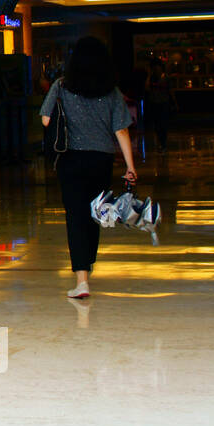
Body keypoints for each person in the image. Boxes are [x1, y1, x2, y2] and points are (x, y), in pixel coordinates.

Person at [40, 37, 138, 299]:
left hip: (70, 159)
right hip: (101, 160)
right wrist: (130, 165)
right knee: (96, 213)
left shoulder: (62, 86)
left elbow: (47, 120)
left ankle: (81, 279)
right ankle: (88, 264)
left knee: (75, 216)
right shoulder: (112, 90)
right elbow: (121, 130)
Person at [144, 59, 174, 152]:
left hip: (164, 103)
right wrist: (149, 76)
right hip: (154, 103)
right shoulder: (152, 78)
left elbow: (170, 91)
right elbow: (147, 88)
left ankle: (163, 143)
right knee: (157, 125)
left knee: (163, 124)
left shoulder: (166, 78)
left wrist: (174, 103)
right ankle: (160, 143)